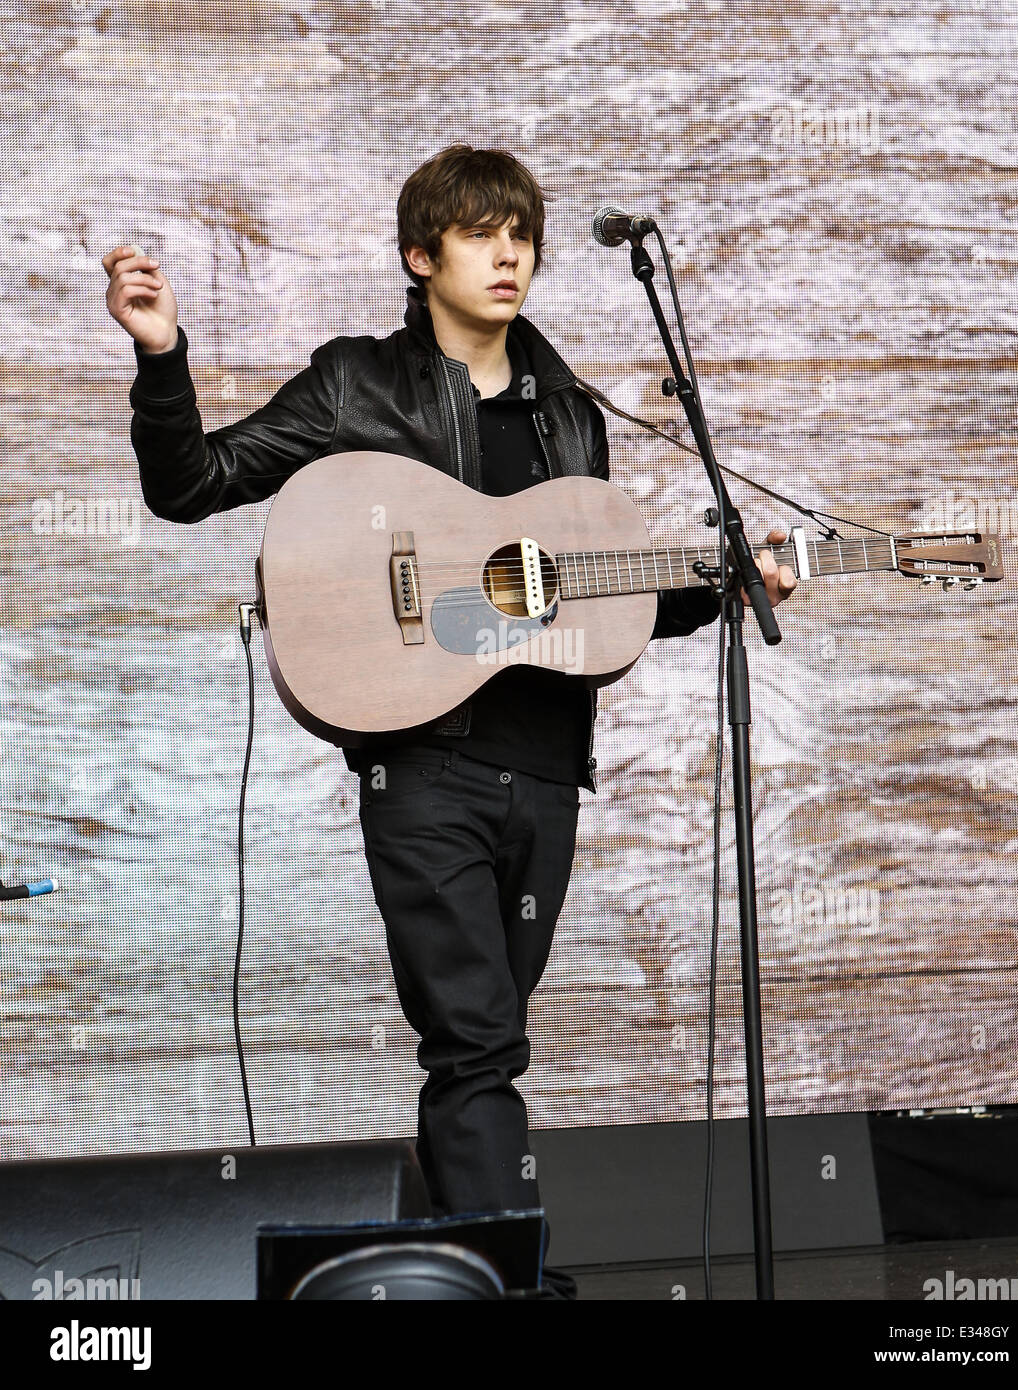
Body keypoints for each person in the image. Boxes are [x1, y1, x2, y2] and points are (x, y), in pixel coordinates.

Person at [103, 144, 797, 1299]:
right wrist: (163, 356)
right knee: (477, 1044)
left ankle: (445, 1273)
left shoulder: (572, 412)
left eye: (520, 233)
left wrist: (728, 583)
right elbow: (193, 483)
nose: (509, 253)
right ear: (422, 256)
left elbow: (597, 595)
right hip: (421, 768)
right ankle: (520, 1285)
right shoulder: (354, 383)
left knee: (480, 1053)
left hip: (542, 773)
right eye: (480, 234)